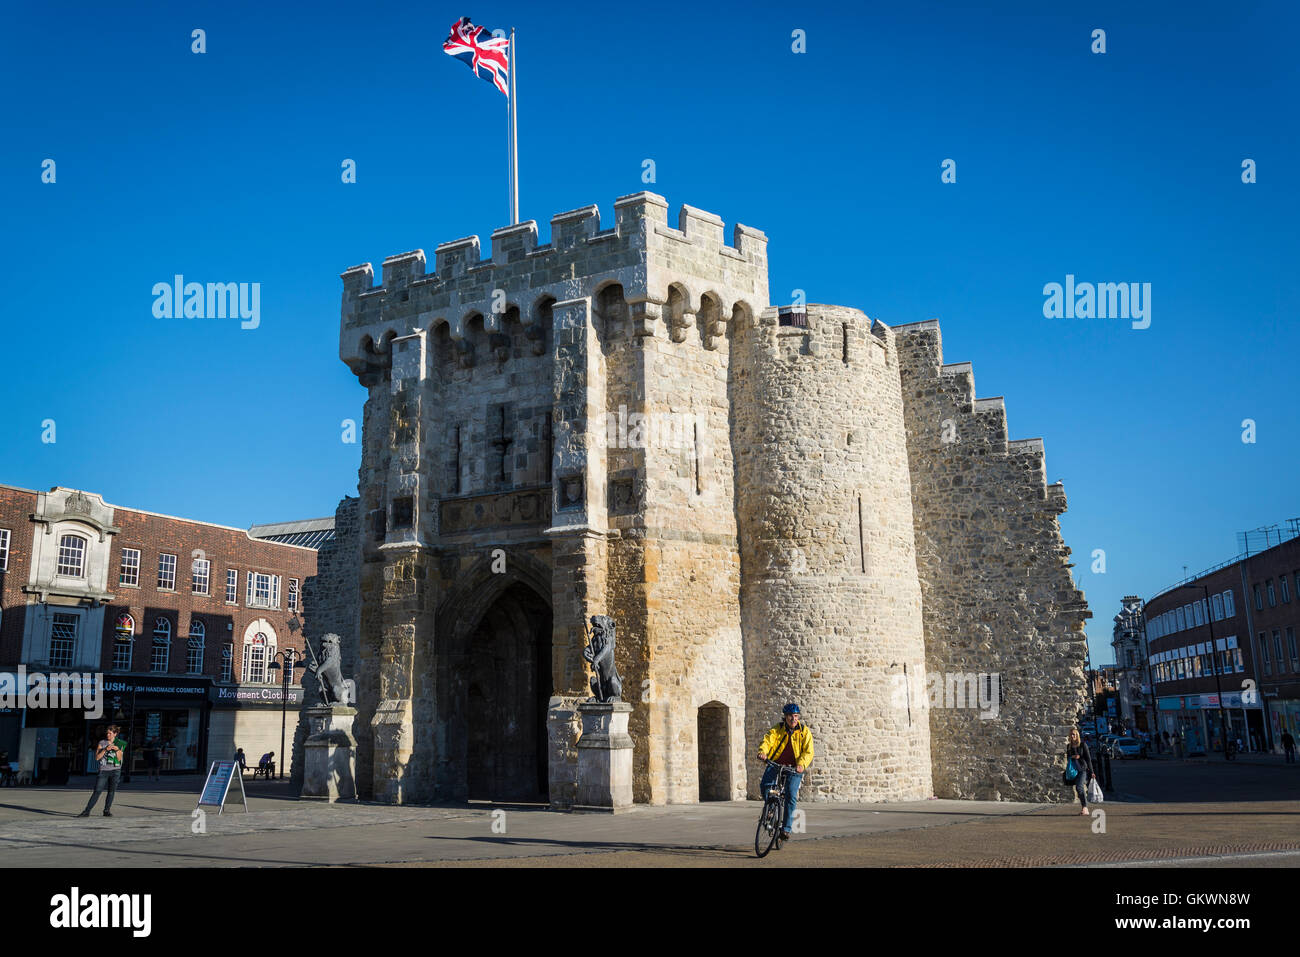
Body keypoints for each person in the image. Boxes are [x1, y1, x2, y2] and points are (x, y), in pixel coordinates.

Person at [756, 703, 814, 843]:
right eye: (790, 716)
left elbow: (808, 751)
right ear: (785, 717)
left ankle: (786, 829)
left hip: (795, 768)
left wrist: (801, 765)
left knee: (791, 795)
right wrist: (763, 752)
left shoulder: (804, 731)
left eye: (795, 716)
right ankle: (770, 809)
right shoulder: (778, 729)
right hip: (776, 764)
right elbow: (768, 740)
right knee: (765, 785)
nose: (793, 719)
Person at [77, 725, 126, 818]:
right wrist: (105, 749)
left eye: (110, 733)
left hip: (116, 771)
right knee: (97, 791)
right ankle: (87, 811)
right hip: (103, 771)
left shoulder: (120, 743)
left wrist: (117, 750)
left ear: (115, 734)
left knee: (111, 791)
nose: (108, 735)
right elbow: (97, 758)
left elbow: (119, 759)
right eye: (107, 733)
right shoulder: (102, 743)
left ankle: (107, 810)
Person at [1065, 728, 1095, 816]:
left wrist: (1092, 771)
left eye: (1074, 734)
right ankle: (1084, 808)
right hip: (1073, 770)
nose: (1072, 736)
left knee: (1079, 787)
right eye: (1071, 734)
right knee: (1078, 788)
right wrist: (1073, 757)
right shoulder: (1069, 746)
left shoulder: (1082, 745)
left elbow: (1088, 759)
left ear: (1077, 735)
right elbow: (1068, 758)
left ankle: (1085, 808)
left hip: (1082, 769)